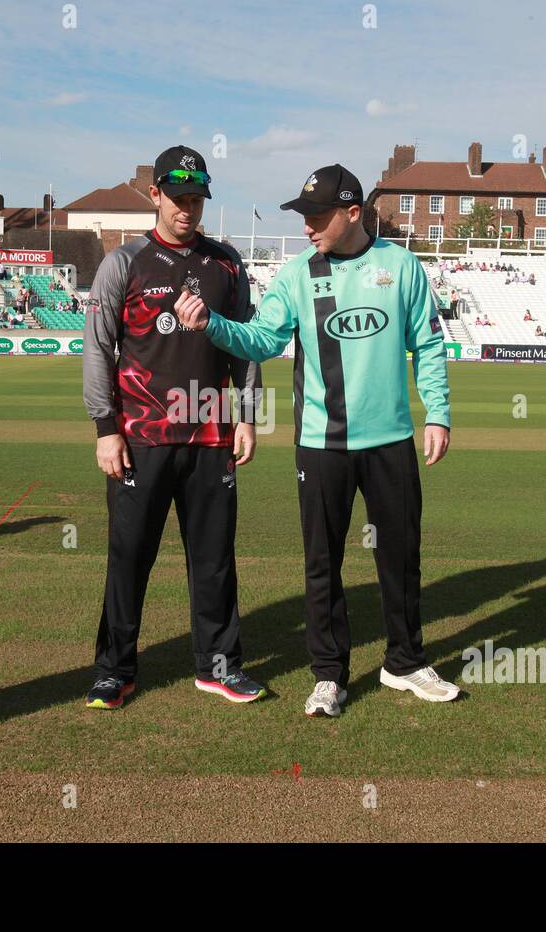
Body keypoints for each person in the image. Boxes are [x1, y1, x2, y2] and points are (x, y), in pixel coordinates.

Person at [175, 163, 458, 718]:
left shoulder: (400, 266)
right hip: (320, 444)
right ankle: (329, 675)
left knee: (400, 557)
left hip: (391, 441)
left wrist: (438, 413)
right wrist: (211, 323)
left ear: (353, 213)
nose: (306, 226)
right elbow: (260, 340)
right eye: (302, 215)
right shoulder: (298, 274)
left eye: (316, 215)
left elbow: (426, 343)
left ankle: (404, 661)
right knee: (322, 562)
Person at [82, 144, 266, 710]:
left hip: (211, 436)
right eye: (177, 197)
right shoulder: (124, 262)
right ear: (155, 194)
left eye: (196, 198)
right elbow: (98, 348)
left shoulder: (227, 262)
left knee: (213, 559)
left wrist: (250, 415)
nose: (187, 208)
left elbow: (247, 344)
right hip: (141, 438)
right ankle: (115, 670)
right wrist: (104, 427)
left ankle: (219, 667)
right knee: (129, 557)